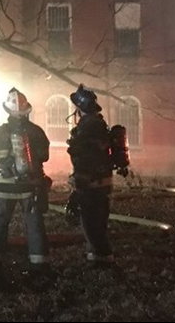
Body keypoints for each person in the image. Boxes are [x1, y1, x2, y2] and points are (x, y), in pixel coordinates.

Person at [0, 88, 51, 269]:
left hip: (5, 187)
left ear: (8, 111)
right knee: (34, 221)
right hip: (30, 185)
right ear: (26, 110)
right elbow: (45, 156)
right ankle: (39, 261)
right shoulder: (36, 132)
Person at [67, 84, 125, 268]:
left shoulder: (88, 127)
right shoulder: (99, 124)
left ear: (80, 108)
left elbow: (85, 157)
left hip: (91, 183)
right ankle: (97, 258)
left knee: (91, 224)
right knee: (98, 222)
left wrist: (78, 181)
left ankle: (104, 260)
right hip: (101, 181)